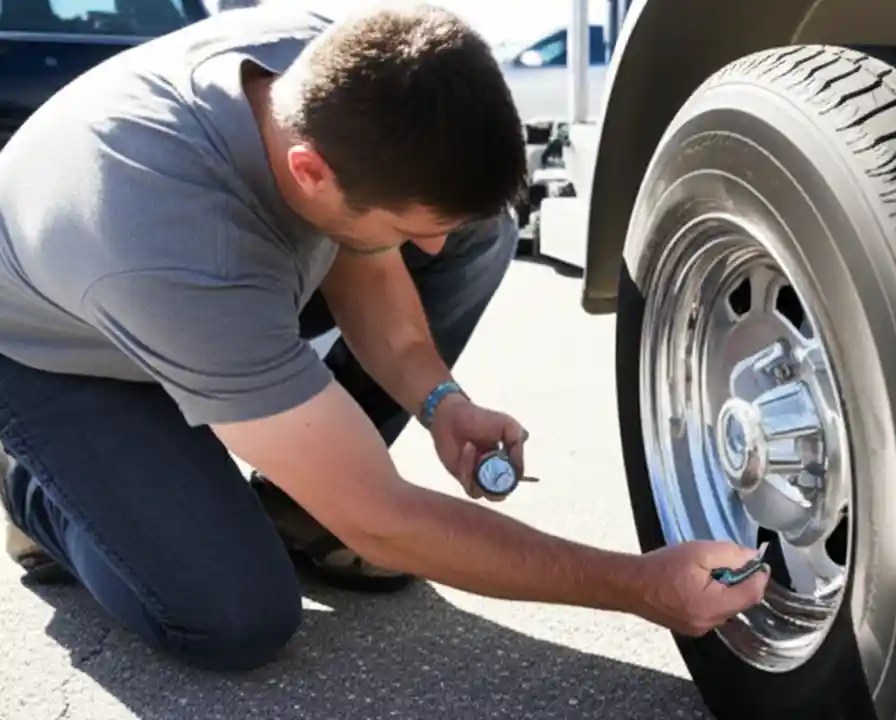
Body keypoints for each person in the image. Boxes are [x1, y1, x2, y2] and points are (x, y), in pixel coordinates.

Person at [0, 0, 768, 671]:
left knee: (474, 233)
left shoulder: (338, 72)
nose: (427, 253)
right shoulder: (181, 251)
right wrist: (639, 586)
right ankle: (38, 491)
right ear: (309, 172)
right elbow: (388, 522)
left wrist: (443, 403)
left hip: (193, 294)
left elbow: (365, 258)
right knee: (232, 621)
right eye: (410, 232)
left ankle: (298, 501)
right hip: (57, 356)